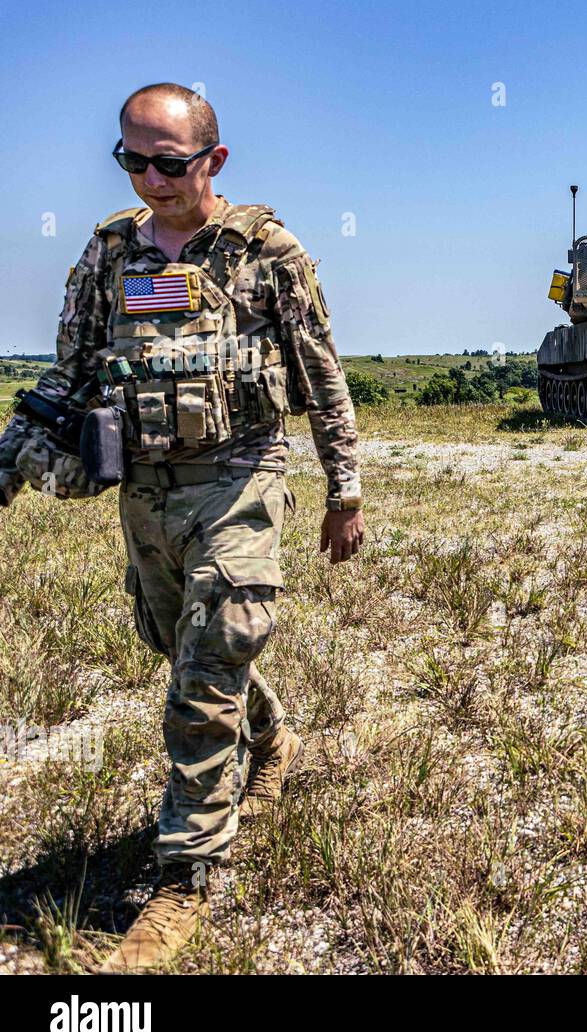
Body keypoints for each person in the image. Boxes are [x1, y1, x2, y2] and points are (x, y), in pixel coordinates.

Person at [0, 83, 364, 972]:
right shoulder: (111, 250)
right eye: (132, 159)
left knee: (217, 647)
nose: (149, 178)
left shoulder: (268, 252)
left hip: (239, 476)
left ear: (214, 160)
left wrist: (343, 488)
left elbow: (320, 369)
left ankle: (185, 878)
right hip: (145, 488)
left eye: (168, 162)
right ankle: (270, 733)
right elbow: (71, 371)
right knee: (181, 643)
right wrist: (10, 457)